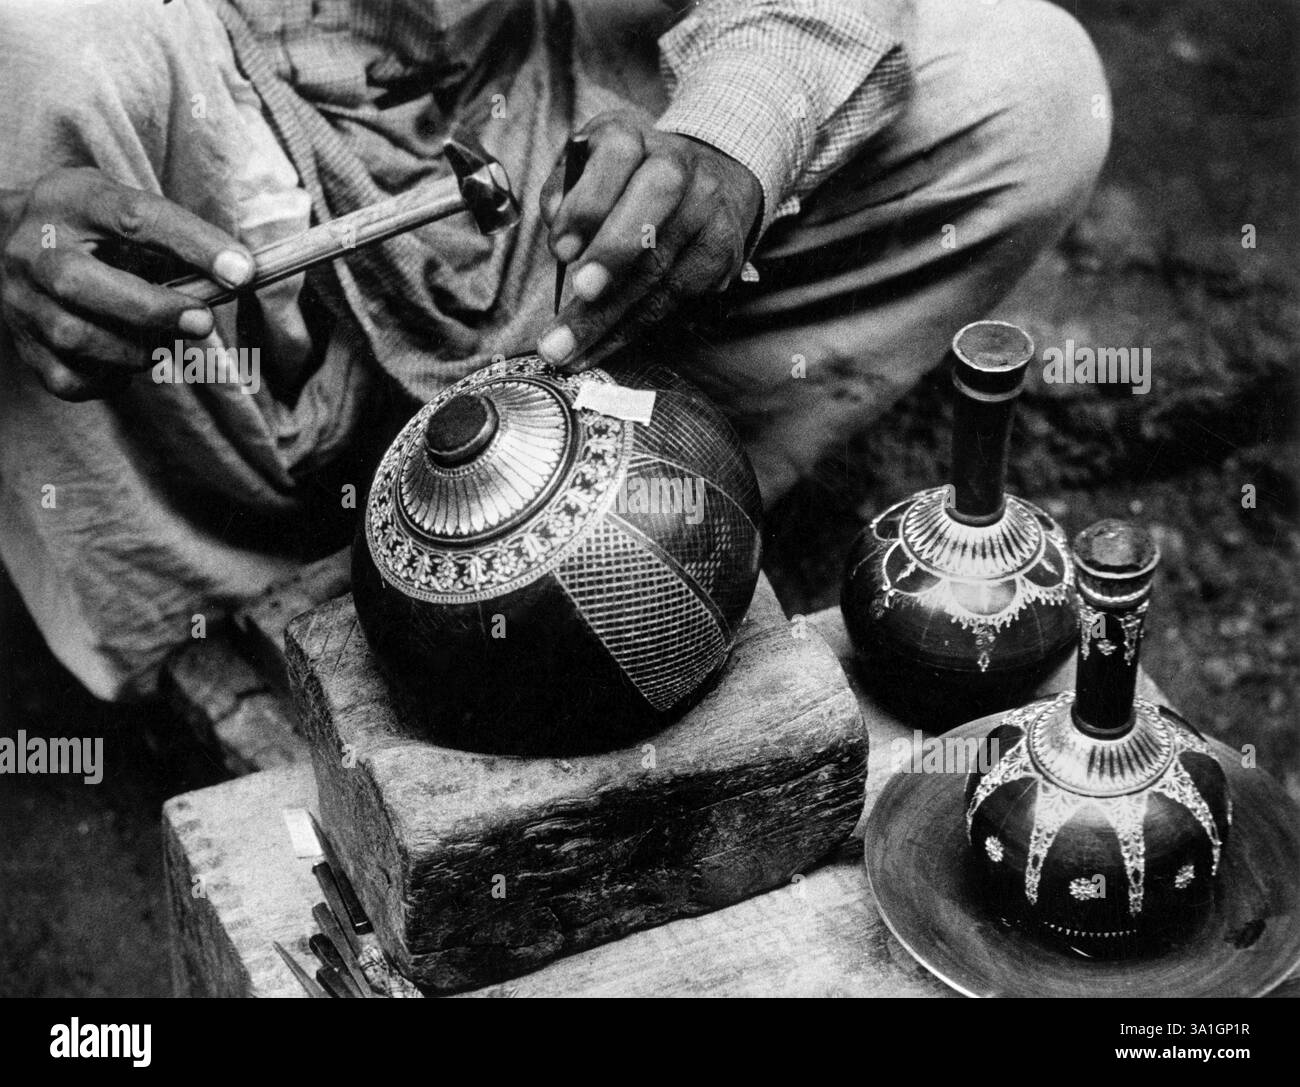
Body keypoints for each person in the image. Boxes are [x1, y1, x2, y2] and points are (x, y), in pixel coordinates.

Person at [0, 0, 1109, 702]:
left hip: (549, 117)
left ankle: (642, 495)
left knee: (1030, 81)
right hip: (216, 175)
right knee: (40, 49)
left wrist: (728, 141)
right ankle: (238, 585)